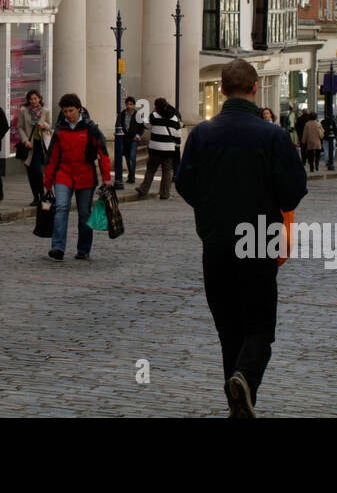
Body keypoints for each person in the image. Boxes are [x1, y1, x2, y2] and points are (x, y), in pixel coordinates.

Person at [175, 59, 307, 419]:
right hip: (259, 239)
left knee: (229, 329)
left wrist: (210, 210)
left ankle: (238, 399)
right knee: (260, 326)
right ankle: (244, 380)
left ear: (221, 89)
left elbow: (184, 183)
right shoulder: (273, 136)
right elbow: (294, 190)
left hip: (216, 243)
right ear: (254, 88)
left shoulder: (202, 134)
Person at [42, 92, 110, 261]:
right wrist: (48, 181)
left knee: (84, 214)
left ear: (79, 110)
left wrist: (106, 177)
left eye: (71, 111)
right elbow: (52, 157)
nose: (68, 115)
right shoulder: (60, 130)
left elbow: (103, 153)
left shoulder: (91, 129)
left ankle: (83, 249)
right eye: (65, 112)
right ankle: (57, 248)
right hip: (64, 174)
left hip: (85, 176)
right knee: (61, 208)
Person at [138, 97, 181, 199]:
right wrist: (177, 147)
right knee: (166, 173)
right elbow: (178, 135)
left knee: (150, 170)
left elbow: (146, 125)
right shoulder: (175, 118)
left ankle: (144, 189)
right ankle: (165, 193)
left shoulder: (154, 116)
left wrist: (153, 112)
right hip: (169, 150)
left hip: (155, 149)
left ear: (156, 106)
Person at [17, 90, 53, 202]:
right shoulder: (23, 111)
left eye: (35, 98)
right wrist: (24, 140)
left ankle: (42, 194)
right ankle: (35, 197)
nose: (33, 101)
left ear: (39, 99)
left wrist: (44, 125)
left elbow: (49, 125)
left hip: (40, 144)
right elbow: (20, 127)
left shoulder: (45, 111)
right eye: (31, 99)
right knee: (30, 172)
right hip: (29, 145)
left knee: (37, 171)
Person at [114, 96, 144, 184]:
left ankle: (132, 176)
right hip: (124, 139)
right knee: (127, 158)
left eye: (131, 104)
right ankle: (130, 175)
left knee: (132, 157)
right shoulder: (122, 114)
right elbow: (118, 124)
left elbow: (141, 127)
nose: (129, 106)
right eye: (127, 104)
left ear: (134, 105)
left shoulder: (137, 115)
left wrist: (138, 136)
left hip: (134, 139)